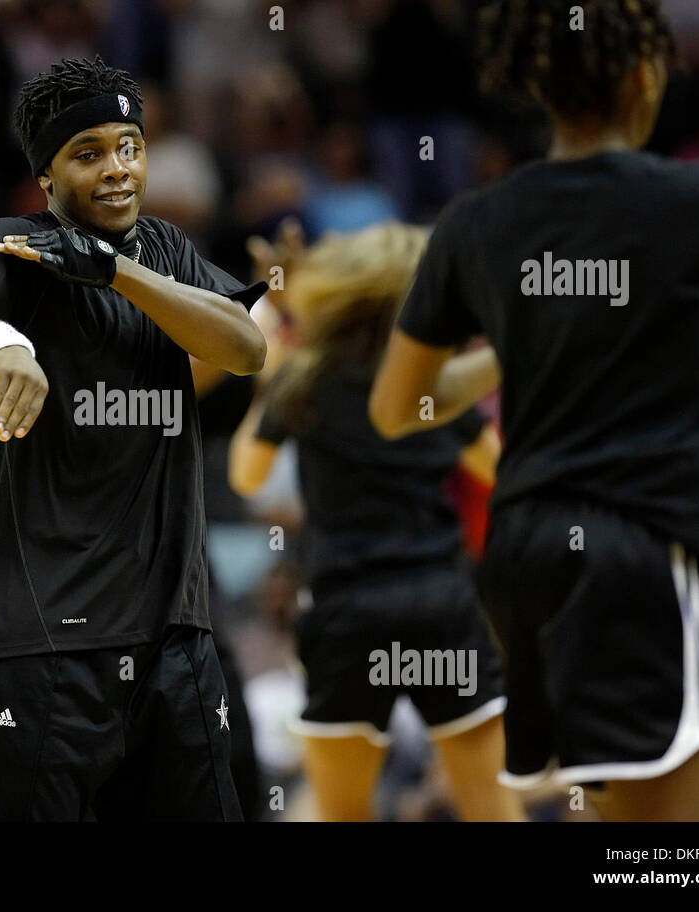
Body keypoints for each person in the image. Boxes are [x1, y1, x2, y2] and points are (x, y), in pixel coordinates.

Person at [369, 0, 699, 821]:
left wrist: (521, 342)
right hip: (644, 544)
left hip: (525, 561)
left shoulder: (477, 219)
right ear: (643, 73)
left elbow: (396, 407)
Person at [0, 56, 267, 821]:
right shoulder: (17, 247)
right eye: (88, 153)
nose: (118, 169)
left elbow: (245, 346)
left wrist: (117, 274)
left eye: (129, 146)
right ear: (48, 178)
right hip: (40, 650)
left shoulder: (165, 251)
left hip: (175, 641)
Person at [230, 221, 523, 821]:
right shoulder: (431, 385)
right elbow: (499, 470)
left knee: (341, 814)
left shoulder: (304, 378)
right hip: (440, 602)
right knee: (492, 807)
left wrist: (276, 377)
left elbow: (247, 477)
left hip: (345, 610)